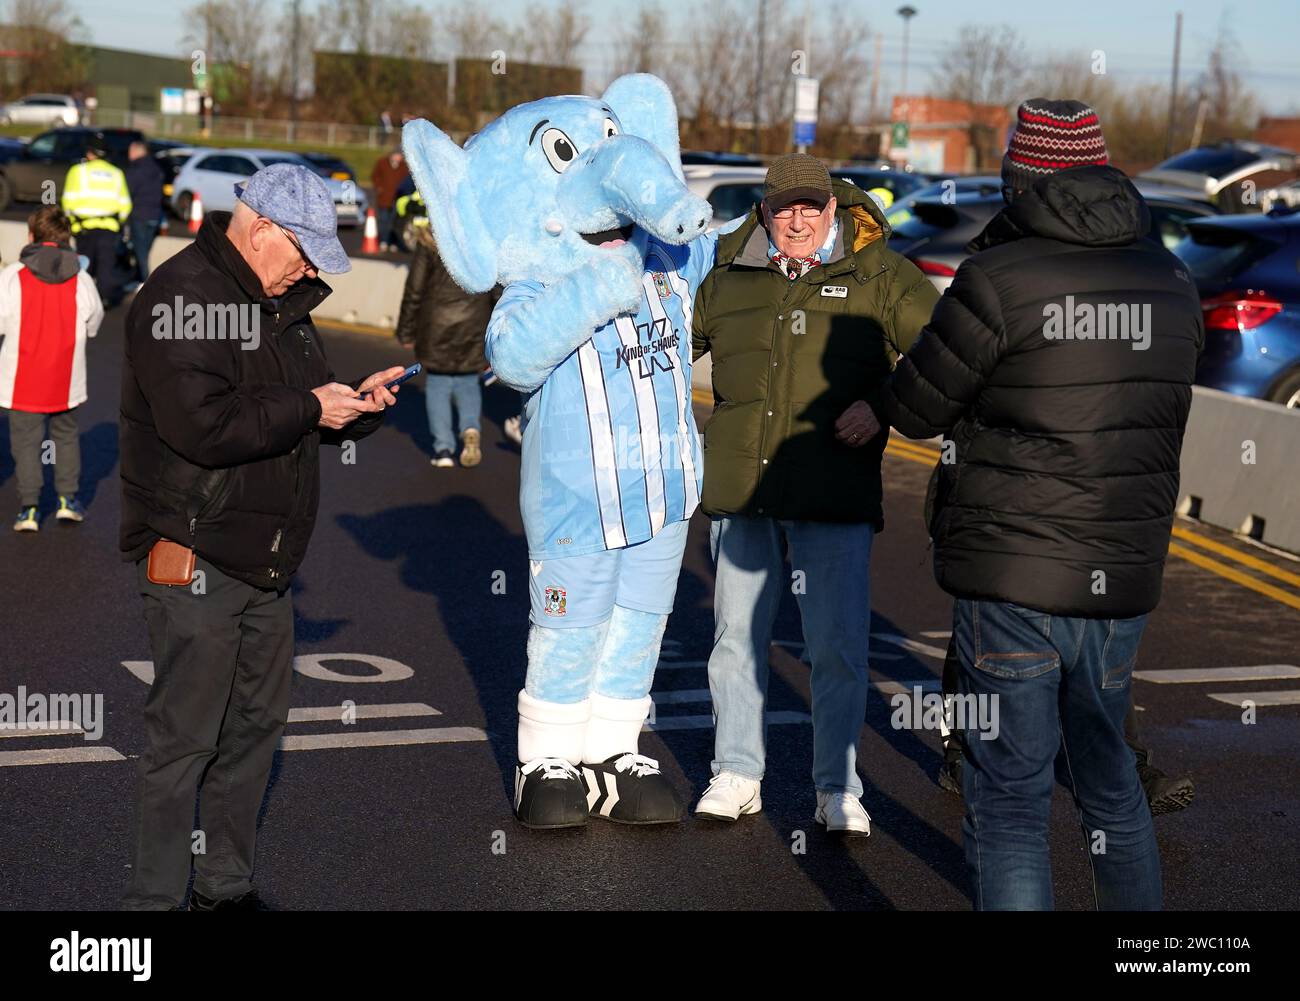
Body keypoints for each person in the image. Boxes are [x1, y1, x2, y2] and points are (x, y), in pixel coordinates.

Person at [874, 99, 1204, 909]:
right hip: (1121, 576)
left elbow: (914, 409)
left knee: (1011, 800)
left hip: (1012, 575)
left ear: (1020, 179)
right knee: (1113, 785)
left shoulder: (999, 277)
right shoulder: (1170, 277)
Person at [405, 73, 727, 829]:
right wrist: (593, 290)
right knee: (571, 623)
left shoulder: (668, 263)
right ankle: (547, 754)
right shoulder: (534, 286)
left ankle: (613, 746)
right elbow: (512, 354)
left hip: (663, 491)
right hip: (579, 498)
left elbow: (722, 249)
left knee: (640, 619)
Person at [118, 163, 407, 910]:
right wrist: (312, 408)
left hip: (268, 564)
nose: (312, 268)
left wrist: (356, 405)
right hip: (196, 555)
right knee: (184, 742)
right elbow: (202, 427)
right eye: (305, 250)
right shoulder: (179, 299)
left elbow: (300, 405)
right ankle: (150, 906)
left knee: (253, 732)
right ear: (261, 230)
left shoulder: (282, 305)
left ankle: (224, 885)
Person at [689, 154, 938, 834]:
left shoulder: (879, 272)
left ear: (833, 207)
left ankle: (837, 788)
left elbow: (944, 353)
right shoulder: (724, 268)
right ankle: (736, 772)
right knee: (734, 640)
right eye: (783, 207)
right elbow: (663, 349)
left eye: (810, 207)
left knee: (835, 646)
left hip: (834, 491)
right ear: (764, 210)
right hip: (742, 491)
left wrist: (883, 404)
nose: (796, 220)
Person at [0, 206, 104, 531]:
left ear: (31, 236)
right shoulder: (81, 277)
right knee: (66, 437)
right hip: (66, 376)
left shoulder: (13, 274)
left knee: (26, 442)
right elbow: (94, 320)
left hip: (21, 376)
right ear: (66, 238)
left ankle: (30, 508)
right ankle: (67, 500)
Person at [395, 220, 497, 467]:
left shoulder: (430, 240)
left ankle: (443, 450)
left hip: (435, 325)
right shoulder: (485, 240)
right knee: (468, 381)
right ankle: (470, 427)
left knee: (439, 385)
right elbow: (496, 288)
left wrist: (406, 331)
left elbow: (415, 289)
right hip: (475, 321)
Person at [61, 141, 131, 305]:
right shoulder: (116, 173)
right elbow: (125, 205)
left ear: (91, 154)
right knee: (106, 266)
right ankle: (103, 300)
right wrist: (116, 221)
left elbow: (67, 202)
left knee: (84, 266)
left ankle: (81, 300)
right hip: (109, 228)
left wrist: (72, 223)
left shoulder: (77, 171)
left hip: (84, 227)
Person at [124, 141, 164, 286]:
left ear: (136, 151)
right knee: (145, 249)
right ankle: (138, 277)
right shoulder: (156, 168)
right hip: (154, 214)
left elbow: (127, 191)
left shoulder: (136, 169)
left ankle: (144, 281)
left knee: (140, 251)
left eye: (130, 151)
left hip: (139, 214)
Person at [369, 147, 409, 252]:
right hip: (384, 198)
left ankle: (392, 242)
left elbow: (407, 182)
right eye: (397, 155)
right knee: (383, 221)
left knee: (394, 222)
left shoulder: (404, 166)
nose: (398, 157)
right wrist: (379, 188)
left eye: (400, 156)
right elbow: (375, 176)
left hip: (398, 199)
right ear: (392, 155)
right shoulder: (382, 163)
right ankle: (383, 241)